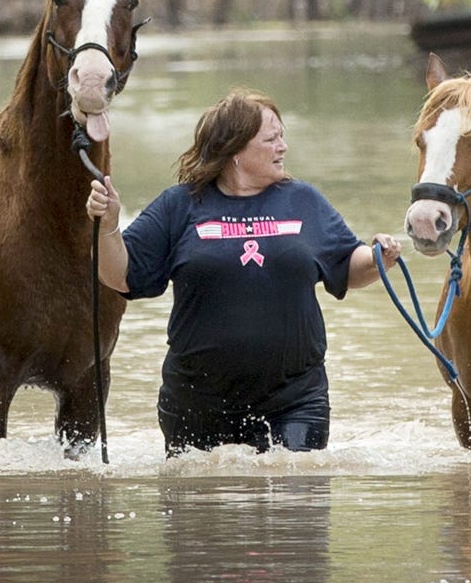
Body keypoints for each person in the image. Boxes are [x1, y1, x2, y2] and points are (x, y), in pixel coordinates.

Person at [86, 89, 400, 455]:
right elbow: (119, 276)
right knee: (206, 508)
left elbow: (347, 266)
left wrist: (379, 257)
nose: (283, 147)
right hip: (197, 403)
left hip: (295, 400)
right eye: (271, 139)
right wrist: (108, 227)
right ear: (235, 150)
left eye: (282, 136)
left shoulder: (303, 201)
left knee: (294, 498)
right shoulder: (179, 206)